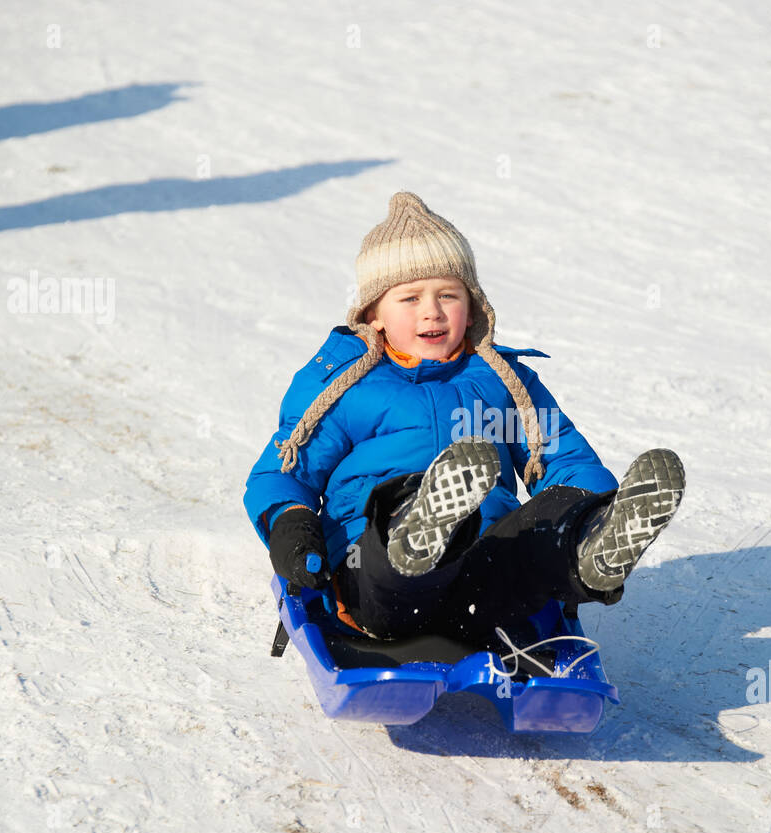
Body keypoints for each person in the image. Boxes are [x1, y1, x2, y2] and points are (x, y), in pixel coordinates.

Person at [244, 191, 684, 646]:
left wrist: (587, 507)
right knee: (396, 536)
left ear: (472, 304)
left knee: (531, 535)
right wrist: (292, 525)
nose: (431, 311)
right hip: (373, 570)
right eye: (410, 298)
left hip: (485, 569)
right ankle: (421, 533)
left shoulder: (502, 381)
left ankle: (588, 547)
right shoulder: (346, 385)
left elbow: (563, 457)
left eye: (448, 295)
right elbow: (282, 472)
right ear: (373, 314)